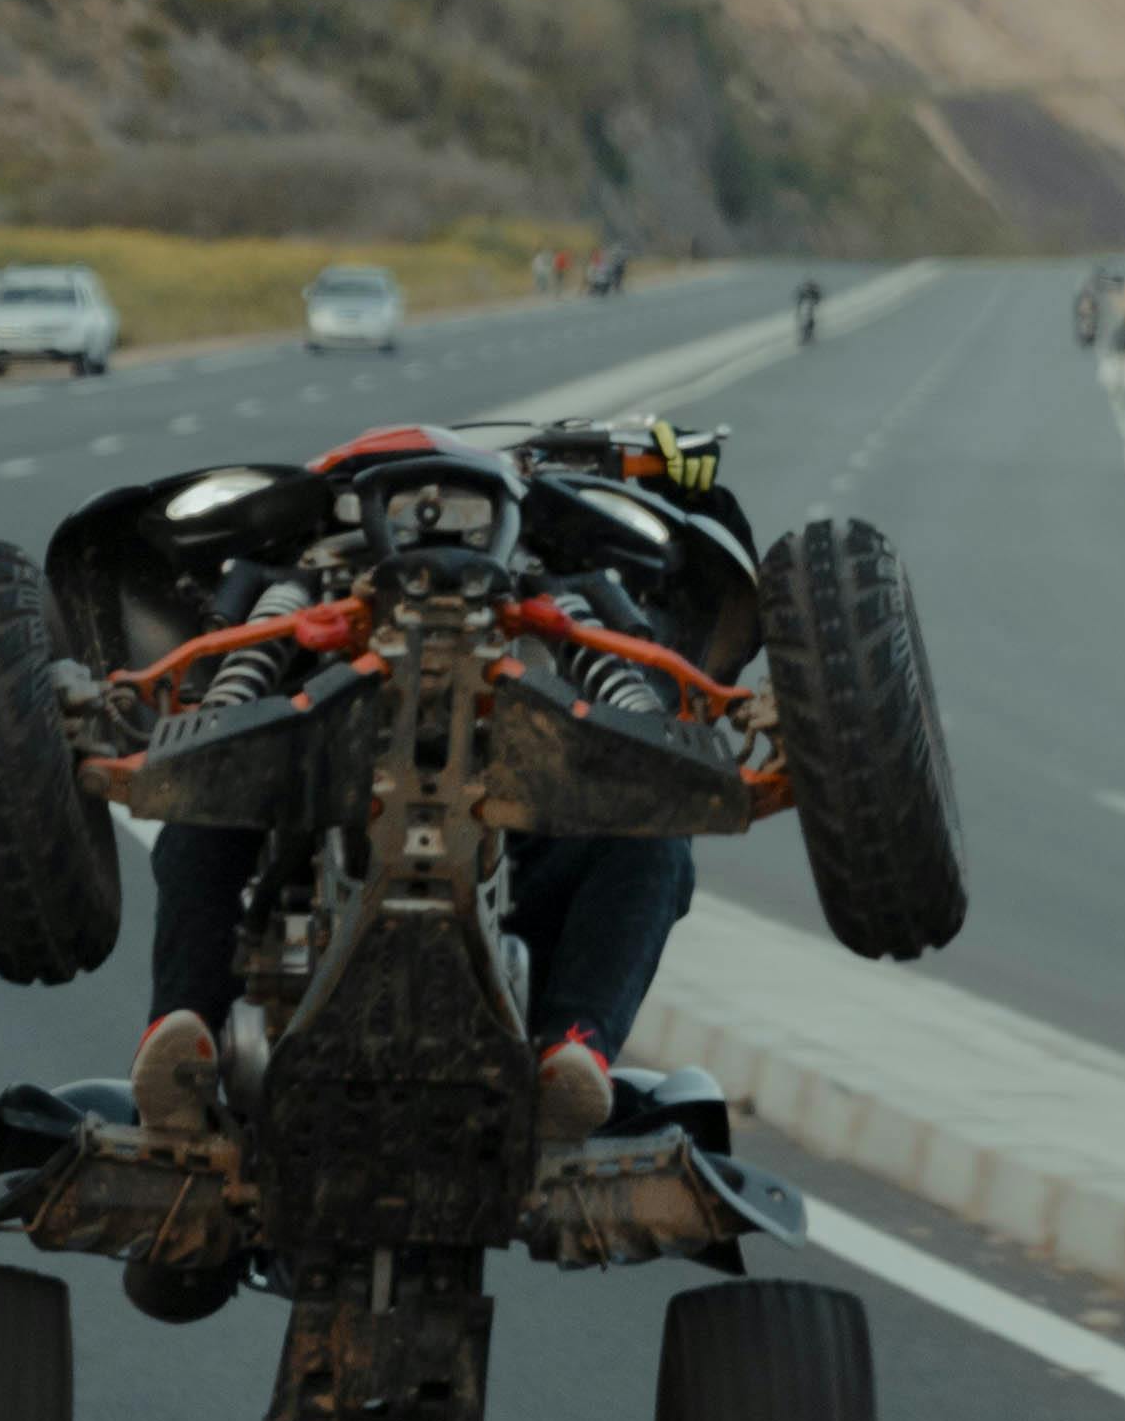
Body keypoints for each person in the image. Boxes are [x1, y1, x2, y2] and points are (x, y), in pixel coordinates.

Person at [125, 423, 740, 1155]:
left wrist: (685, 489)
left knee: (655, 834)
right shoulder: (300, 626)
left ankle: (574, 1052)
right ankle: (180, 1033)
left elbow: (711, 590)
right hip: (311, 845)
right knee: (210, 788)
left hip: (522, 875)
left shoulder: (571, 601)